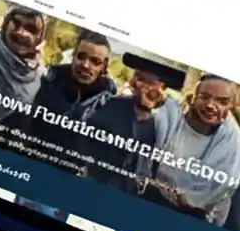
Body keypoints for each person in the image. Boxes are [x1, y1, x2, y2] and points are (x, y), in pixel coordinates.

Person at [142, 75, 240, 225]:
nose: (211, 105)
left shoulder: (236, 145)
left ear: (230, 107)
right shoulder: (167, 119)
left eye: (222, 101)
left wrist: (191, 203)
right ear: (193, 98)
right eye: (205, 97)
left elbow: (219, 192)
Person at [79, 53, 185, 193]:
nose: (137, 83)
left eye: (146, 81)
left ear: (161, 87)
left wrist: (147, 111)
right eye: (137, 77)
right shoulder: (112, 104)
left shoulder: (169, 122)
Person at [27, 30, 115, 148]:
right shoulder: (49, 82)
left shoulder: (108, 104)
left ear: (104, 67)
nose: (85, 65)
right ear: (73, 56)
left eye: (95, 61)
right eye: (81, 56)